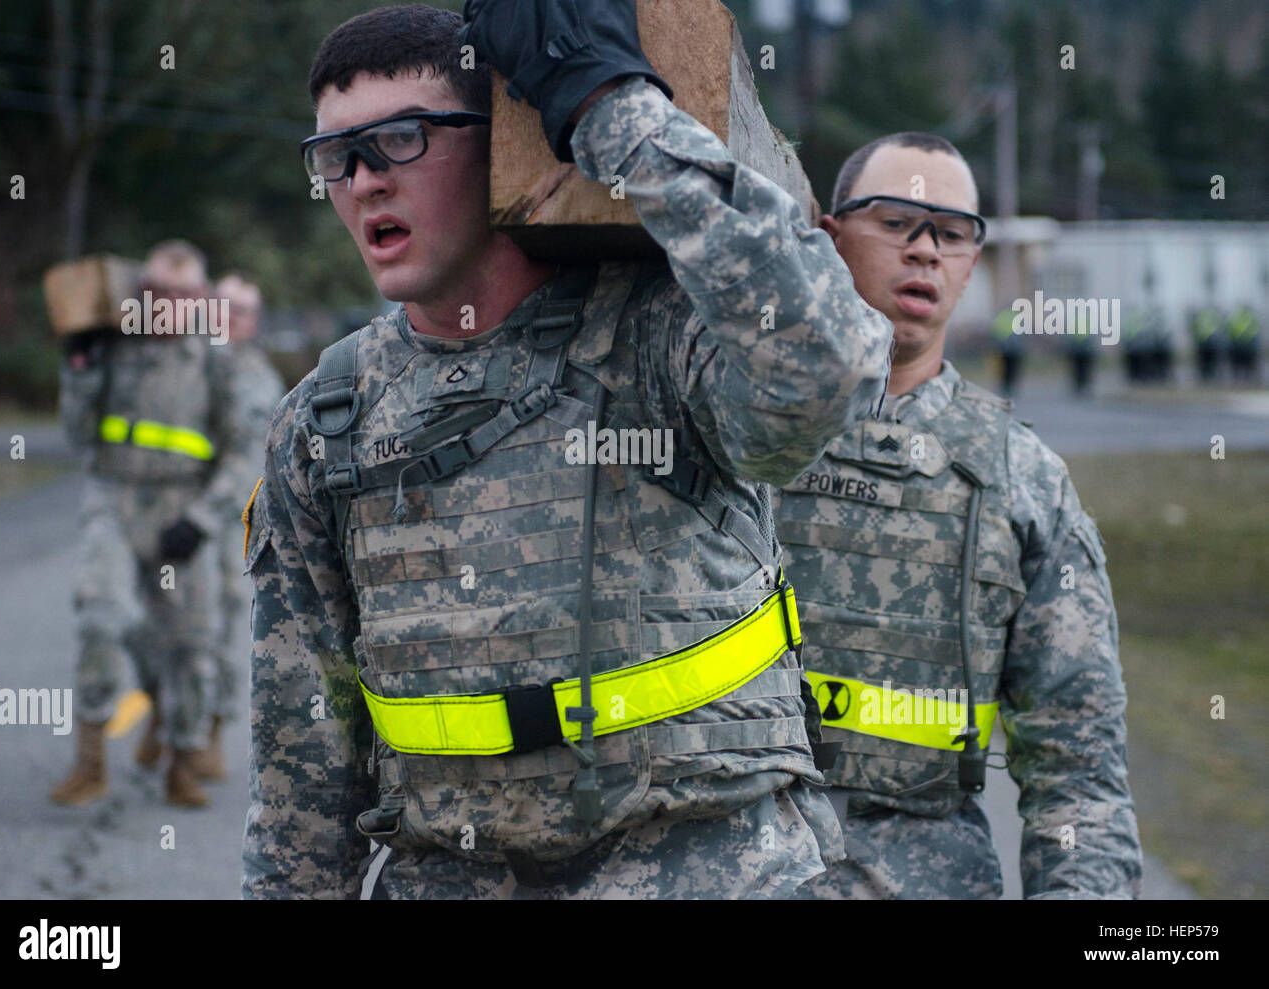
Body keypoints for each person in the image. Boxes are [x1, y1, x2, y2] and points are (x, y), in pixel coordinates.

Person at [242, 1, 892, 899]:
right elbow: (299, 781)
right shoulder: (325, 422)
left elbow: (832, 367)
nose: (361, 183)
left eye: (397, 140)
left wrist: (613, 109)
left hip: (709, 867)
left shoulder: (660, 335)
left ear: (506, 136)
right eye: (335, 158)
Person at [775, 132, 1142, 898]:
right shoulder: (741, 426)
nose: (925, 252)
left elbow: (1078, 772)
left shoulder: (1023, 479)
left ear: (974, 260)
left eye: (950, 233)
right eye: (898, 221)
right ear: (830, 235)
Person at [53, 240, 248, 808]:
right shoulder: (115, 346)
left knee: (191, 643)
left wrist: (202, 520)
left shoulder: (215, 358)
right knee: (101, 617)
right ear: (142, 291)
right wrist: (79, 365)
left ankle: (183, 762)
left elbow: (240, 452)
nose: (169, 304)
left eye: (183, 295)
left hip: (181, 509)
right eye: (159, 292)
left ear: (201, 298)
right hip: (112, 500)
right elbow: (75, 434)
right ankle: (90, 762)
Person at [199, 273, 287, 780]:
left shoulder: (259, 380)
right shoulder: (184, 364)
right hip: (167, 516)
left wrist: (197, 516)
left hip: (229, 523)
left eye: (244, 312)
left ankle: (209, 730)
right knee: (151, 627)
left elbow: (242, 462)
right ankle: (166, 713)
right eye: (225, 308)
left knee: (218, 628)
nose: (233, 320)